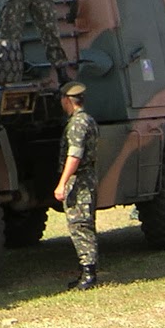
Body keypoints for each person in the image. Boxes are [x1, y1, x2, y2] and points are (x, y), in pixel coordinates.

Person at [53, 81, 99, 290]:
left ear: (67, 100)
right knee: (84, 224)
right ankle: (85, 271)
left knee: (80, 226)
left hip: (79, 181)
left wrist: (62, 183)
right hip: (86, 178)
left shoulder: (77, 124)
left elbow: (75, 155)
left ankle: (89, 274)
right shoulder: (87, 120)